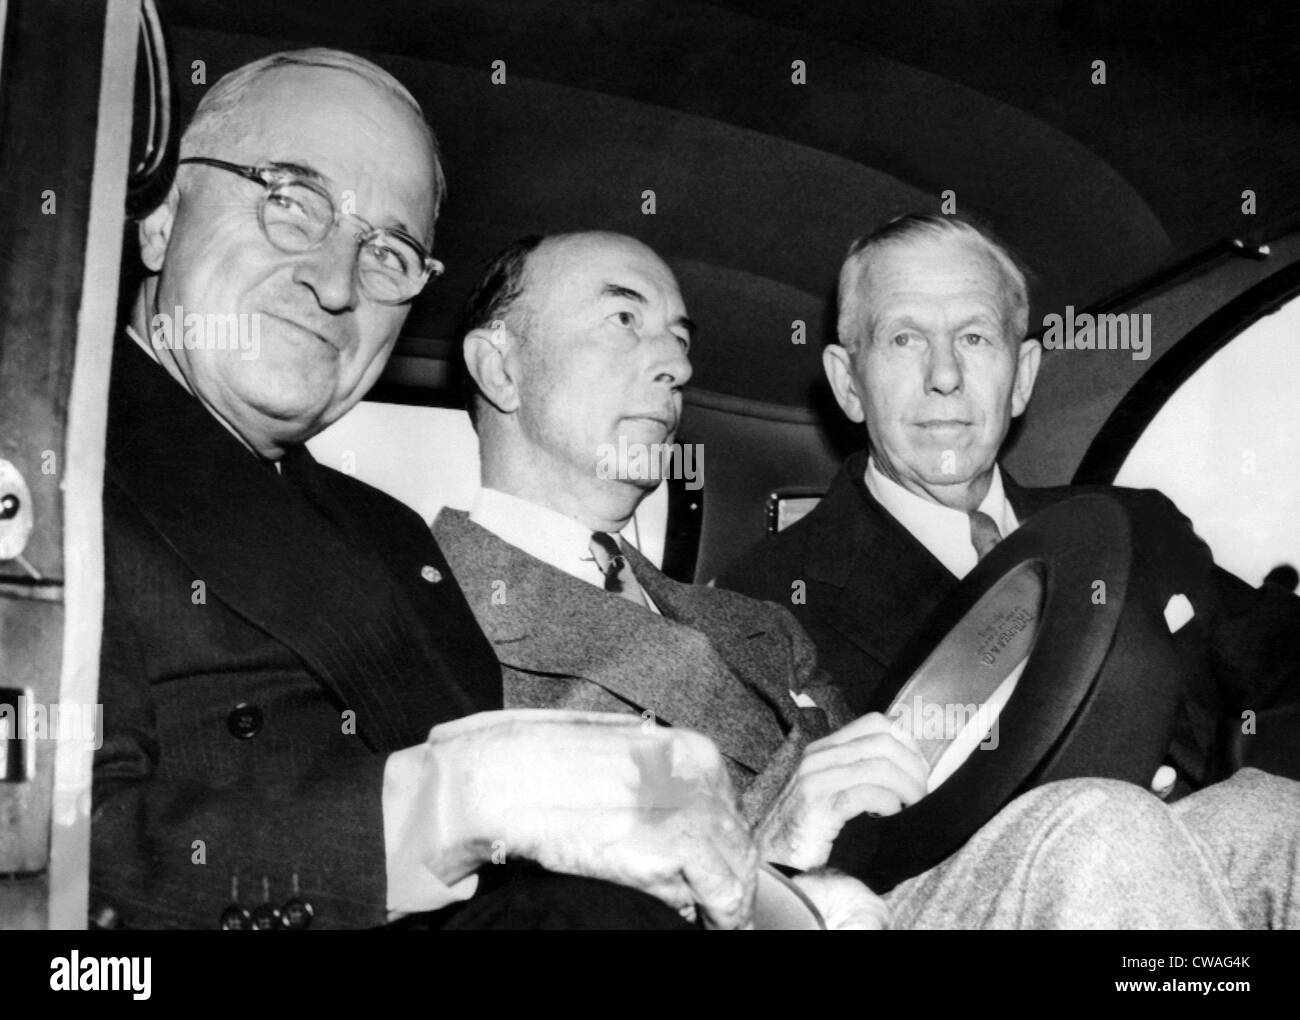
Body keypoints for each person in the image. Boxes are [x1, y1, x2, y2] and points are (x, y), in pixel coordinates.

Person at [93, 49, 756, 931]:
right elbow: (53, 869)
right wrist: (448, 804)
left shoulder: (391, 537)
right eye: (290, 200)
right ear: (160, 219)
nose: (334, 283)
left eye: (388, 252)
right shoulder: (43, 471)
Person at [433, 228, 1263, 928]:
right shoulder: (434, 611)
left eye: (680, 341)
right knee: (1103, 831)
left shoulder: (734, 621)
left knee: (1266, 816)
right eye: (624, 319)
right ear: (501, 368)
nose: (673, 366)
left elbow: (899, 809)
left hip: (891, 895)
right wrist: (774, 843)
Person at [718, 213, 1300, 927]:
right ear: (847, 382)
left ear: (1021, 376)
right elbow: (767, 861)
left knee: (1276, 811)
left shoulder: (1134, 527)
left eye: (974, 337)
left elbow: (1284, 658)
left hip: (1196, 907)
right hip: (976, 901)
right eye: (905, 340)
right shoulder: (760, 603)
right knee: (1108, 834)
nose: (944, 376)